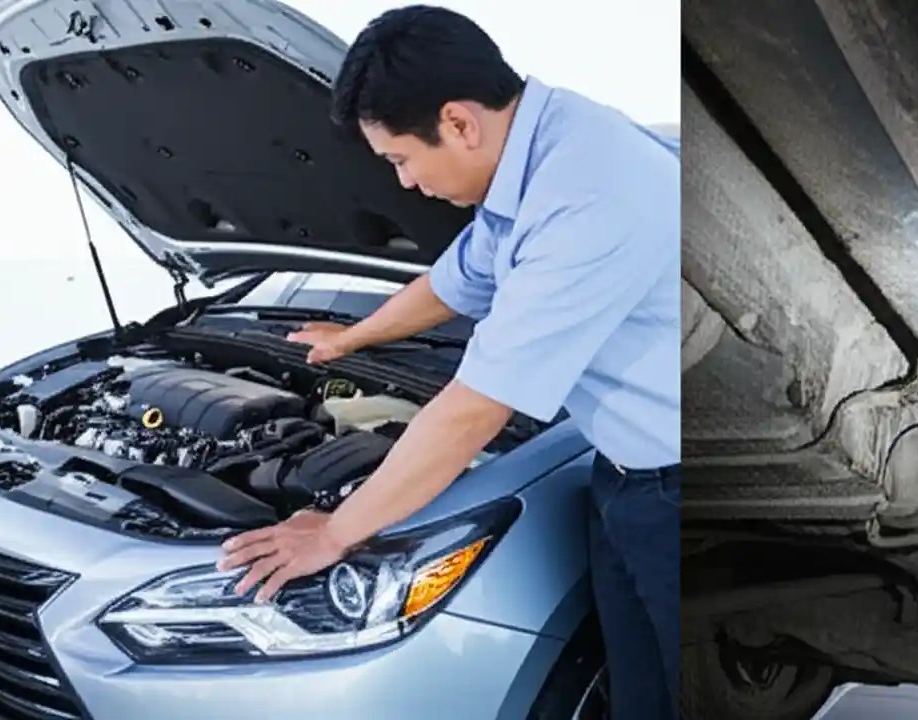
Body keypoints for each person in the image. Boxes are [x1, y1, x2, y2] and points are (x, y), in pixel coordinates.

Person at [214, 5, 680, 718]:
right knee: (640, 693)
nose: (402, 184)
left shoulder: (588, 194)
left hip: (679, 489)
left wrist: (337, 531)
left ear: (459, 123)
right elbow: (458, 280)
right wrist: (353, 338)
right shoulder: (532, 150)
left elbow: (473, 411)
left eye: (401, 159)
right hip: (621, 473)